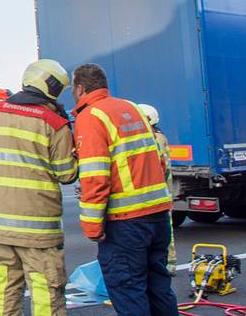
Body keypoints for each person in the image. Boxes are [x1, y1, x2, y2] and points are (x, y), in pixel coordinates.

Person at [0, 62, 78, 316]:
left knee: (4, 295)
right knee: (45, 297)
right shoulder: (55, 124)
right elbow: (67, 174)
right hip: (38, 231)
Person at [72, 64, 177, 316]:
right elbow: (158, 161)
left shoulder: (91, 116)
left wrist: (92, 227)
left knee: (129, 291)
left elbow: (96, 178)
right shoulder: (132, 109)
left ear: (79, 88)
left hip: (126, 223)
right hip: (158, 215)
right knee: (159, 288)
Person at [139, 103, 177, 271]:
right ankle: (168, 262)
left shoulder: (156, 138)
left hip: (159, 191)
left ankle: (169, 263)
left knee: (164, 228)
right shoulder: (156, 135)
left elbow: (160, 167)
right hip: (162, 191)